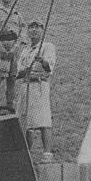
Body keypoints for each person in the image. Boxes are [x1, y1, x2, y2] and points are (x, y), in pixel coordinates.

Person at [15, 19, 56, 158]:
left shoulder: (47, 46)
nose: (34, 30)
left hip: (39, 84)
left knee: (44, 120)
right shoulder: (25, 50)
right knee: (27, 122)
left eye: (37, 27)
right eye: (31, 27)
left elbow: (49, 66)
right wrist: (27, 69)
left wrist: (41, 60)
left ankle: (47, 153)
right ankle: (27, 153)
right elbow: (18, 71)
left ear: (42, 30)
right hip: (26, 85)